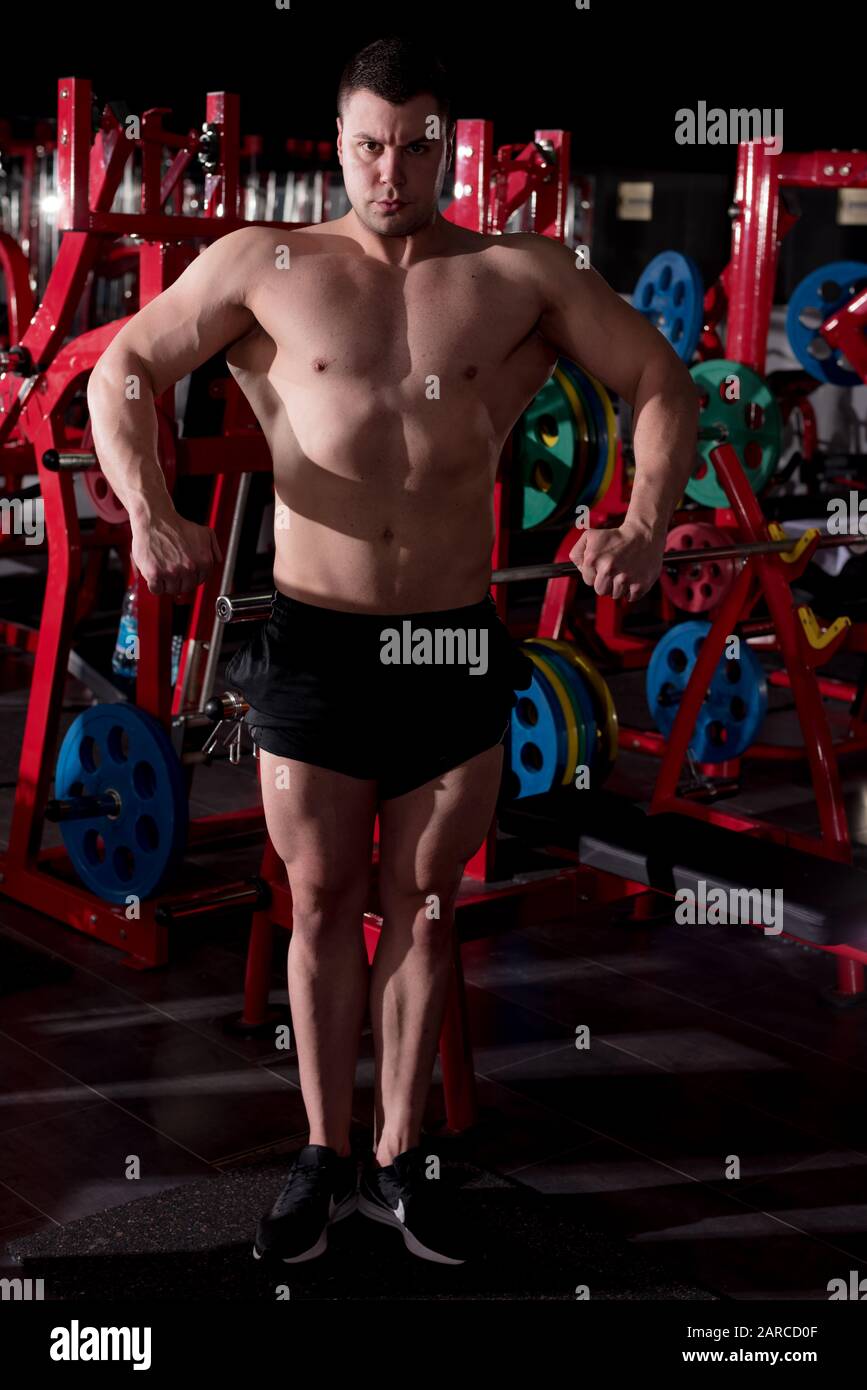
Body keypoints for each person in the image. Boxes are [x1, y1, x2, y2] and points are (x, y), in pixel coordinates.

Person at [86, 34, 698, 1267]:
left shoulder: (518, 273)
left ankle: (401, 1160)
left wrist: (639, 524)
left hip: (449, 644)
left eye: (416, 144)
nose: (391, 168)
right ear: (343, 140)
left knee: (421, 908)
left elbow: (661, 379)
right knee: (319, 899)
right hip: (315, 641)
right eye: (369, 143)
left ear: (442, 142)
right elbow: (125, 365)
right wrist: (150, 512)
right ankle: (322, 1153)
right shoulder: (265, 264)